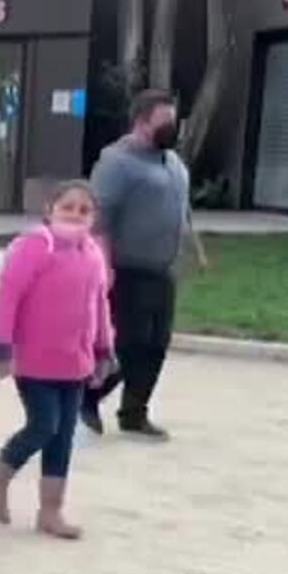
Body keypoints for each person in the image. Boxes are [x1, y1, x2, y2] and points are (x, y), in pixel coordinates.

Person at [0, 181, 117, 540]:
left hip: (76, 363)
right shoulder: (35, 246)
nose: (76, 215)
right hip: (34, 361)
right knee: (44, 426)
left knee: (63, 437)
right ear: (50, 209)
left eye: (84, 210)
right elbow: (7, 297)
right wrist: (0, 348)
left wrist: (104, 349)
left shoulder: (93, 253)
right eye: (68, 207)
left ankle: (51, 511)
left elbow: (99, 305)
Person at [82, 88, 207, 440]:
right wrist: (102, 266)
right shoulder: (117, 162)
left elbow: (182, 209)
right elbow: (99, 217)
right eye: (164, 121)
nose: (173, 128)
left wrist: (195, 248)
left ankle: (135, 412)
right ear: (141, 121)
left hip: (162, 268)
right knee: (128, 343)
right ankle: (87, 397)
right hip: (126, 268)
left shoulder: (174, 163)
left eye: (174, 120)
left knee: (156, 344)